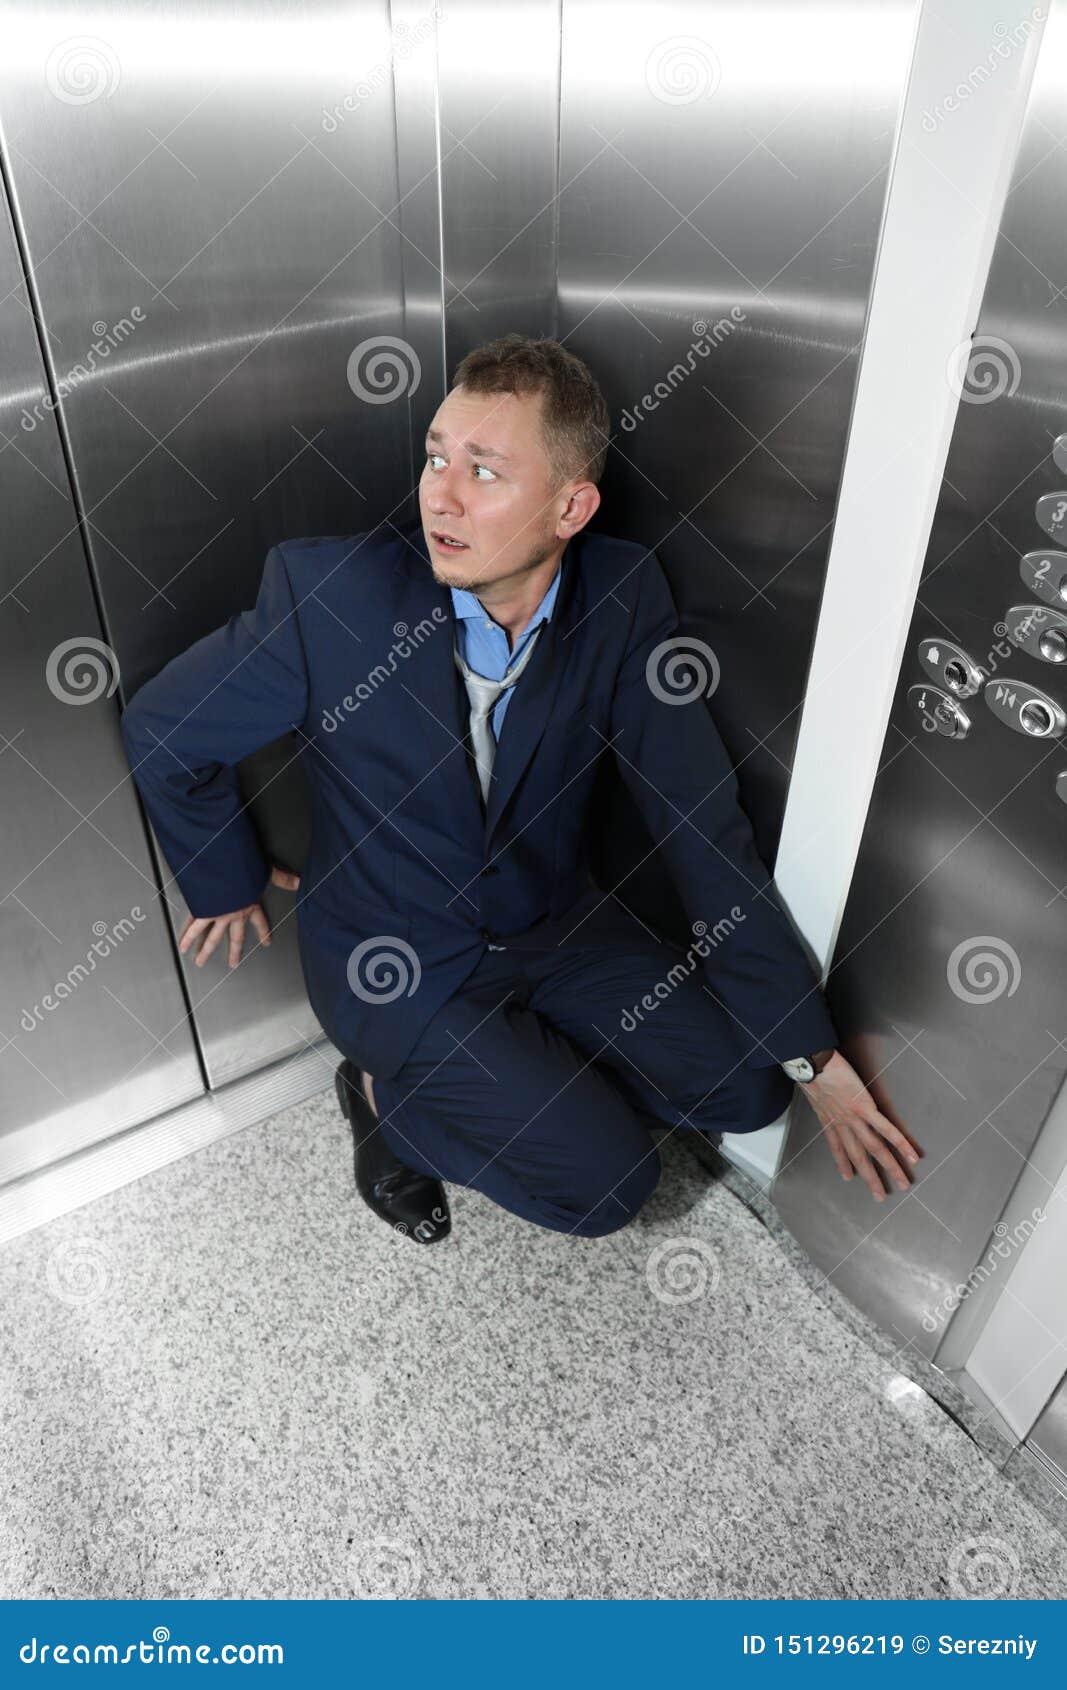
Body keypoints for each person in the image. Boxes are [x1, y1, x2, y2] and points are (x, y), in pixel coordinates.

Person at [120, 334, 920, 1246]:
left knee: (748, 1088)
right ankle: (387, 1102)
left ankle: (525, 1076)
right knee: (608, 1187)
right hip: (400, 961)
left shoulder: (619, 597)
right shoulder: (332, 595)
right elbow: (166, 732)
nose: (439, 495)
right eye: (435, 457)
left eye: (485, 471)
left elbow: (700, 826)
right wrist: (227, 877)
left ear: (570, 505)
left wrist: (816, 1056)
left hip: (551, 925)